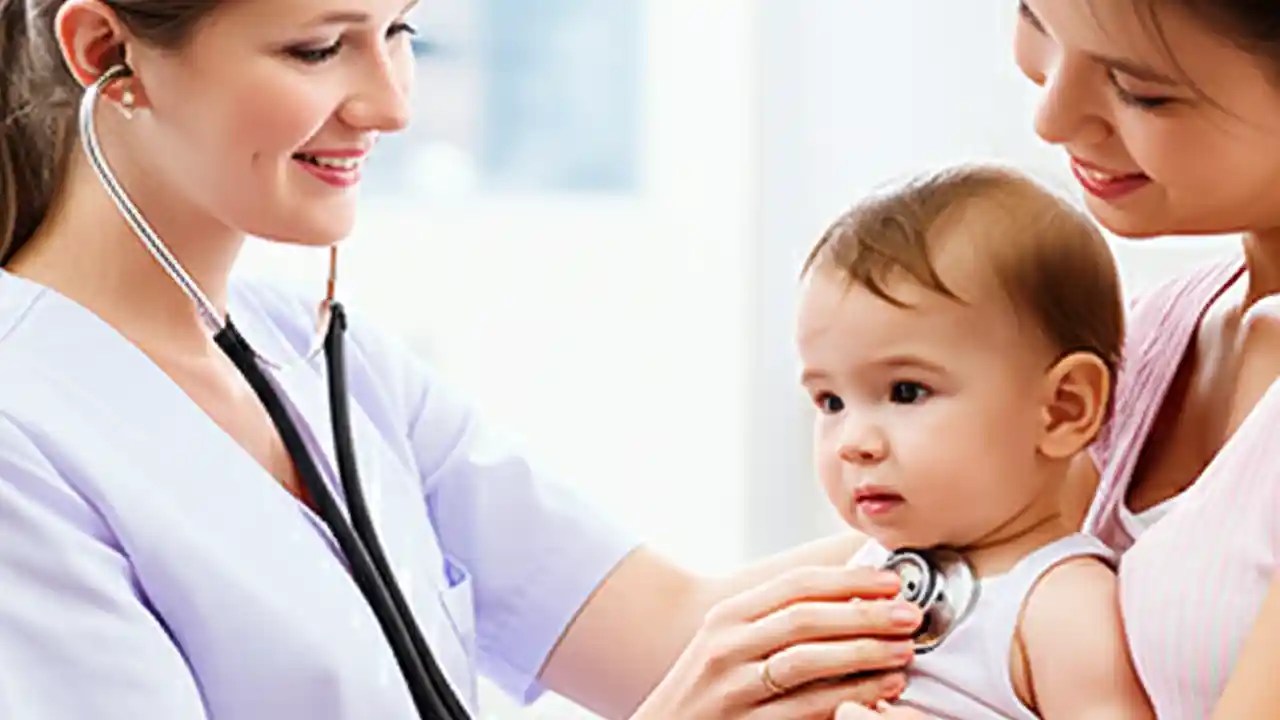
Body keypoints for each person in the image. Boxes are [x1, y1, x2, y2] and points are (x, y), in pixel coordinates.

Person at [0, 1, 927, 718]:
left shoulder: (322, 359)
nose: (392, 105)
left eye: (398, 30)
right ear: (104, 53)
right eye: (319, 49)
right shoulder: (24, 436)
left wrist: (1030, 511)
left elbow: (667, 630)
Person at [836, 2, 1280, 719]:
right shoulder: (1150, 336)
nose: (1050, 117)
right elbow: (692, 619)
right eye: (1035, 17)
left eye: (1141, 90)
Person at [798, 164, 1152, 719]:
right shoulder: (865, 575)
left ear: (1062, 410)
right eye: (830, 402)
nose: (853, 442)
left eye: (907, 391)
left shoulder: (1059, 606)